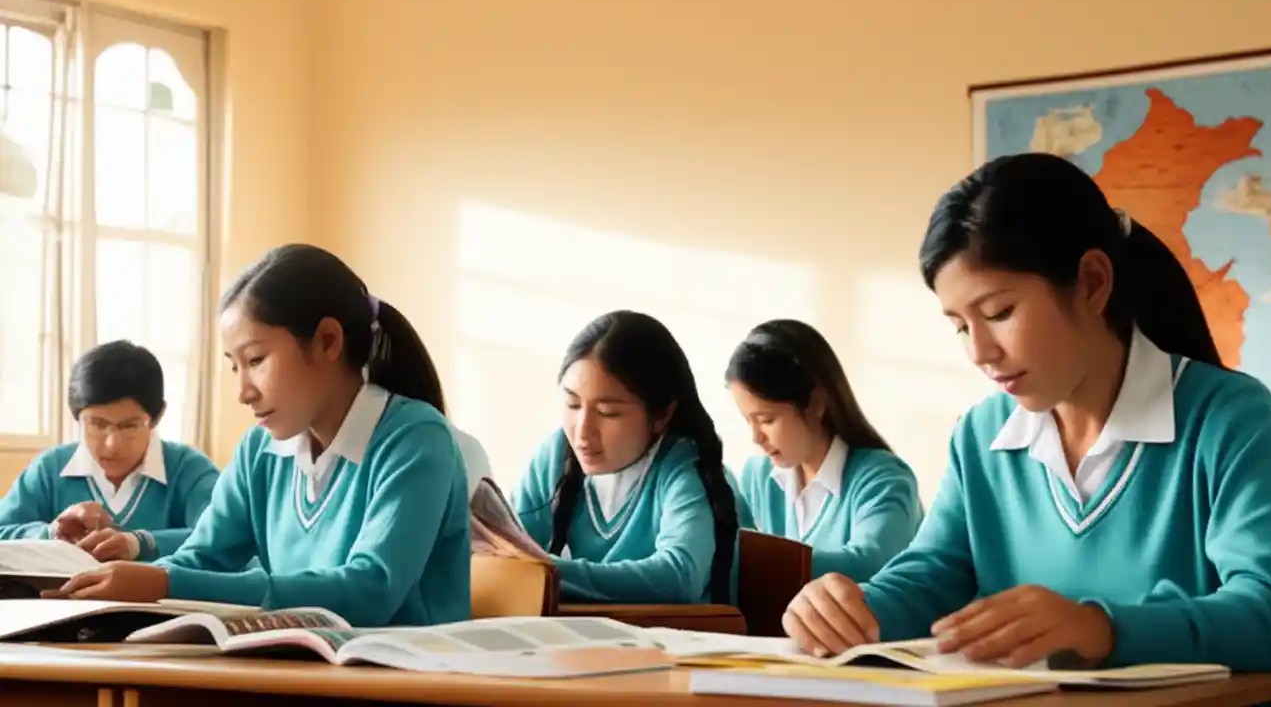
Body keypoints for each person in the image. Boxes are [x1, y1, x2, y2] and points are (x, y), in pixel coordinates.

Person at [782, 153, 1271, 671]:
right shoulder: (980, 436)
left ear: (1091, 283)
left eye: (999, 313)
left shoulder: (1230, 420)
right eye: (959, 325)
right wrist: (849, 609)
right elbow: (932, 577)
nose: (979, 352)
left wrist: (1100, 628)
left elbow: (1269, 609)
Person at [46, 244, 471, 627]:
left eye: (256, 359)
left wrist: (163, 582)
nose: (243, 391)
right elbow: (204, 556)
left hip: (402, 682)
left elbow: (371, 589)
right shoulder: (261, 450)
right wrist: (112, 593)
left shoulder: (415, 438)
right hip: (292, 676)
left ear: (327, 341)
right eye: (234, 366)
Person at [513, 310, 741, 604]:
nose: (583, 431)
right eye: (572, 404)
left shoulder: (687, 467)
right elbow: (507, 551)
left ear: (661, 414)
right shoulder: (555, 454)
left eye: (609, 412)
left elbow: (680, 577)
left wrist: (544, 572)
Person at [726, 319, 921, 580]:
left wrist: (758, 561)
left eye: (767, 420)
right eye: (747, 420)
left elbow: (872, 563)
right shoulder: (759, 475)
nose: (756, 437)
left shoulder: (884, 479)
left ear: (816, 403)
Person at [0, 341, 217, 561]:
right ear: (76, 416)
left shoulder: (189, 469)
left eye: (130, 426)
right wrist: (53, 533)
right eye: (97, 424)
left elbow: (226, 540)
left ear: (157, 416)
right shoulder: (50, 469)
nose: (113, 444)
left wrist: (139, 543)